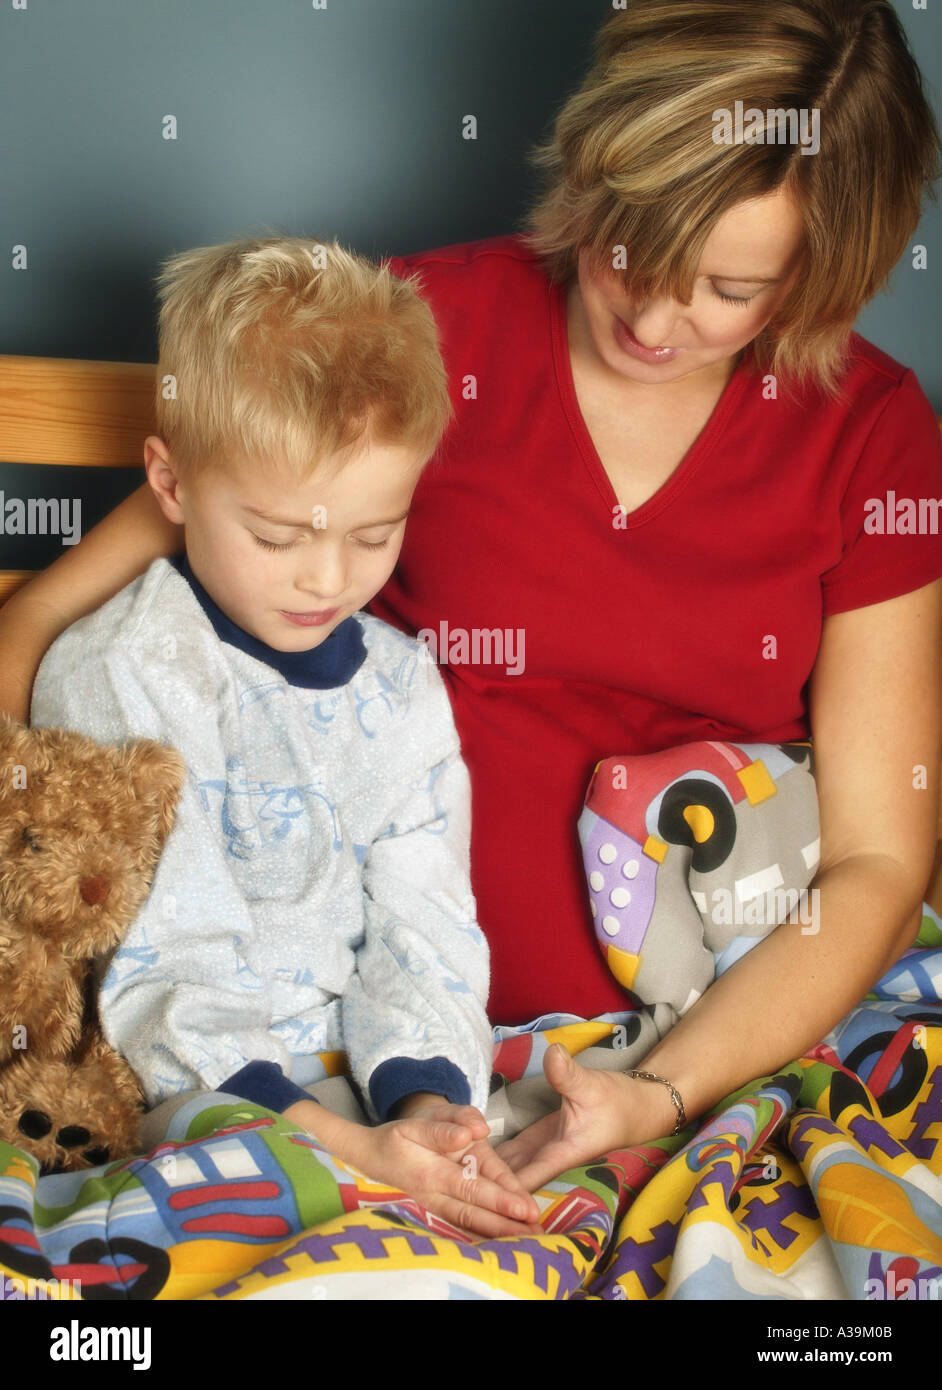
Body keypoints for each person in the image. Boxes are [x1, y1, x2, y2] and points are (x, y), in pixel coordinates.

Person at [2, 0, 941, 1194]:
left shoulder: (871, 437)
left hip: (694, 1049)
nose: (652, 319)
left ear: (826, 273)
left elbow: (874, 858)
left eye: (725, 288)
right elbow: (52, 616)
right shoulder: (408, 336)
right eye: (627, 247)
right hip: (344, 1055)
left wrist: (663, 1091)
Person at [26, 235, 542, 1238]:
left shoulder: (400, 686)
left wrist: (430, 1111)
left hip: (377, 1091)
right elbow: (164, 972)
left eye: (373, 534)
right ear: (170, 487)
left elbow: (425, 925)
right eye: (276, 537)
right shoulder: (125, 673)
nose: (326, 580)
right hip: (200, 1091)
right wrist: (352, 1151)